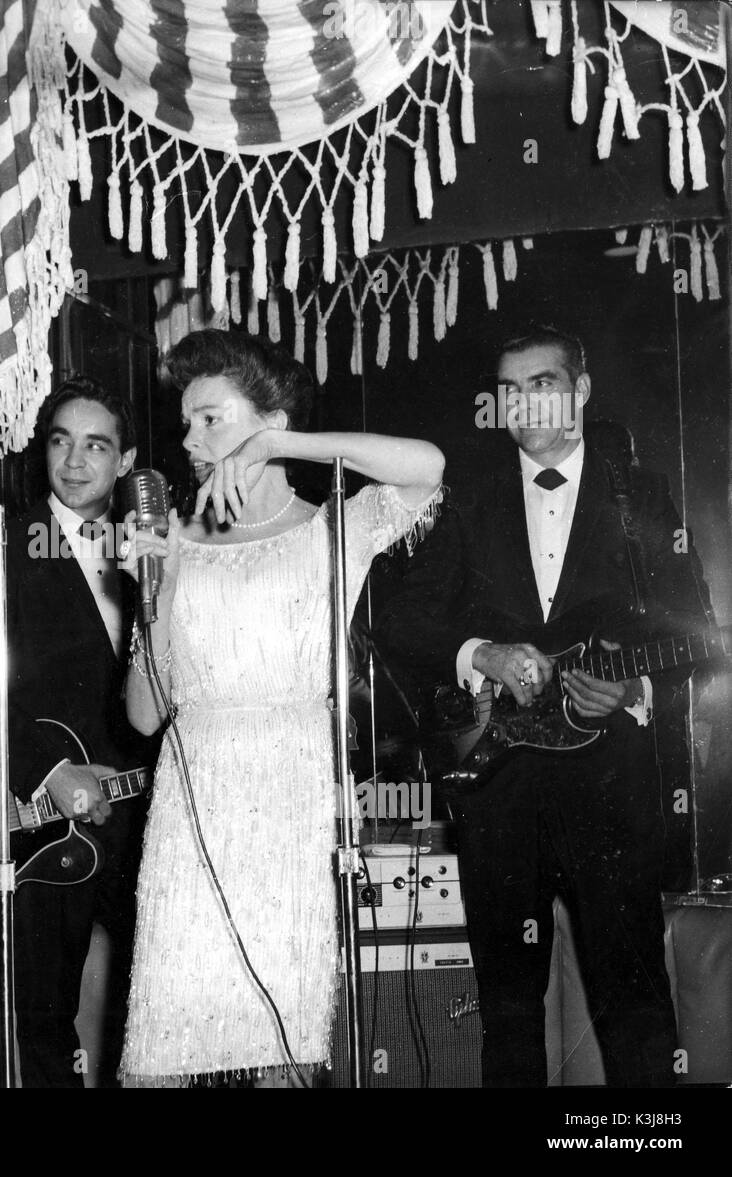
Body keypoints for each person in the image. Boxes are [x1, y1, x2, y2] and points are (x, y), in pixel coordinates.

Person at [373, 323, 714, 1087]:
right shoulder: (468, 497)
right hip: (499, 786)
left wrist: (634, 691)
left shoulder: (640, 495)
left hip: (612, 791)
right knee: (509, 1009)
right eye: (509, 387)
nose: (521, 402)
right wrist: (478, 655)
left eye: (541, 383)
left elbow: (696, 634)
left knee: (636, 1005)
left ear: (581, 391)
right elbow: (397, 620)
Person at [118, 329, 444, 1085]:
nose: (189, 440)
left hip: (291, 795)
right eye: (186, 421)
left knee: (283, 1053)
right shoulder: (173, 537)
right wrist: (153, 589)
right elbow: (142, 714)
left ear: (270, 421)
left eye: (212, 419)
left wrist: (275, 447)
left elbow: (428, 465)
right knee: (164, 1045)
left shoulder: (336, 528)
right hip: (192, 803)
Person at [0, 376, 154, 1087]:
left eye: (95, 445)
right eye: (60, 441)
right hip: (40, 822)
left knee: (153, 1006)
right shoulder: (3, 545)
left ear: (124, 461)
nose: (73, 461)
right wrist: (48, 770)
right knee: (41, 1021)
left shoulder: (153, 550)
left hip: (144, 819)